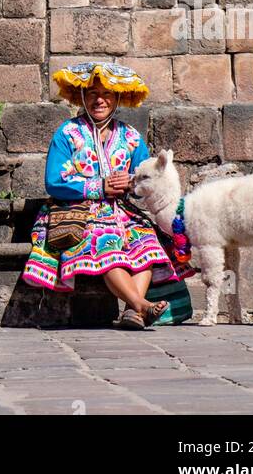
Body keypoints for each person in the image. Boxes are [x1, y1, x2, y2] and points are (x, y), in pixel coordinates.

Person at [23, 61, 177, 329]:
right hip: (79, 212)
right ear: (83, 97)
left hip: (122, 212)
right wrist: (99, 186)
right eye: (93, 94)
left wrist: (130, 184)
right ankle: (142, 305)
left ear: (117, 98)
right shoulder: (68, 134)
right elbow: (54, 181)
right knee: (102, 241)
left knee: (148, 242)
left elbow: (145, 180)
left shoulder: (130, 137)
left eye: (107, 94)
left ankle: (132, 312)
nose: (100, 100)